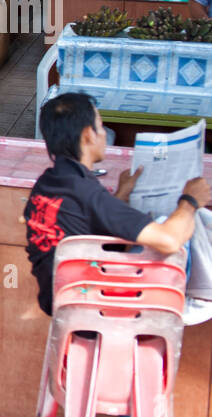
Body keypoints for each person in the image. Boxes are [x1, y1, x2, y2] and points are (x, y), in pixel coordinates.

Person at [24, 92, 211, 319]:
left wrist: (122, 193)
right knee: (181, 222)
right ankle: (200, 299)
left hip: (64, 300)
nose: (104, 134)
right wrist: (190, 200)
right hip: (100, 305)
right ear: (87, 135)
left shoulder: (47, 185)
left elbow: (94, 225)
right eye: (101, 127)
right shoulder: (86, 193)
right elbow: (168, 240)